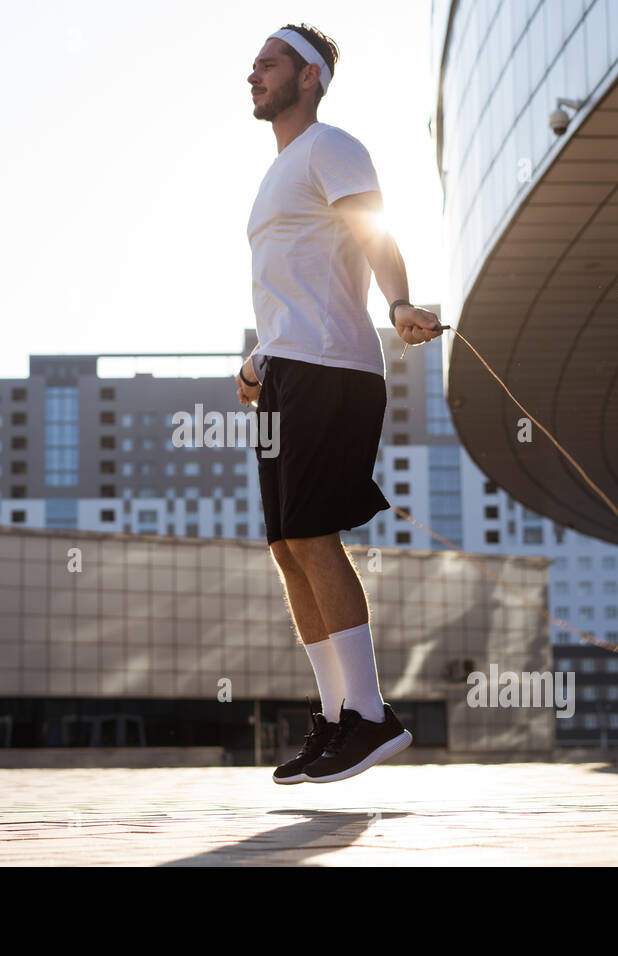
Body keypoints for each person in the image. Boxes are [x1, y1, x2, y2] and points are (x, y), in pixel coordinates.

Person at [236, 23, 446, 784]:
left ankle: (370, 717)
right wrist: (259, 357)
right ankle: (331, 721)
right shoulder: (278, 172)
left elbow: (372, 232)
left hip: (334, 368)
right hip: (288, 368)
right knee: (288, 548)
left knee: (316, 536)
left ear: (310, 77)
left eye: (270, 63)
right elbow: (291, 282)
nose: (253, 73)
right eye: (254, 64)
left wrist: (399, 304)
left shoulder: (332, 147)